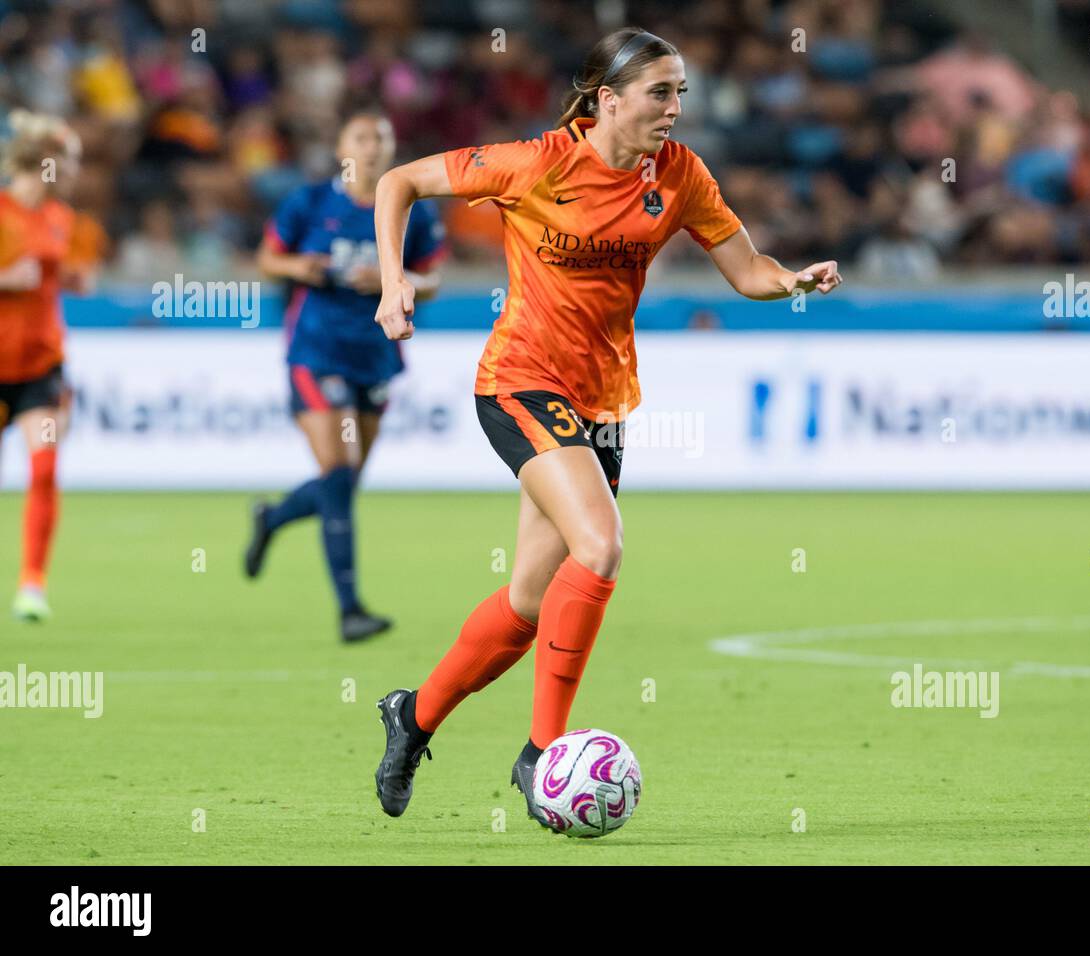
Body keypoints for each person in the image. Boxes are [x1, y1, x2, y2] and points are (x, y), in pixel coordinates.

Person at [369, 28, 842, 825]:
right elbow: (398, 182)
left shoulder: (681, 175)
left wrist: (792, 279)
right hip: (520, 381)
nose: (676, 107)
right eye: (662, 92)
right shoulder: (539, 161)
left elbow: (747, 268)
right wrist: (393, 285)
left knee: (525, 605)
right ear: (608, 99)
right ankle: (543, 754)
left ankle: (411, 719)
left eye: (681, 91)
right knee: (602, 544)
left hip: (603, 401)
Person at [245, 108, 445, 642]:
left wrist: (395, 279)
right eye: (362, 137)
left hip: (377, 356)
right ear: (341, 148)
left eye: (382, 137)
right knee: (337, 472)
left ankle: (273, 518)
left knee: (346, 483)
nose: (374, 146)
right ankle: (350, 608)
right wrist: (298, 268)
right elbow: (267, 259)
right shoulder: (309, 202)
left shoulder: (411, 210)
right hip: (316, 352)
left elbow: (433, 280)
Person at [0, 110, 99, 621]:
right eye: (72, 160)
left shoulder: (62, 220)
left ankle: (32, 585)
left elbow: (53, 274)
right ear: (46, 162)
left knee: (43, 469)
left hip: (41, 366)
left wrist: (71, 280)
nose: (77, 171)